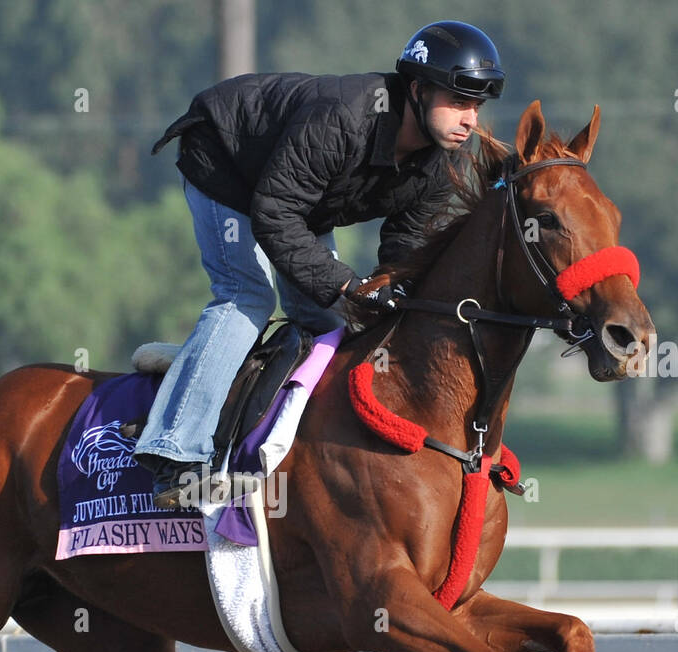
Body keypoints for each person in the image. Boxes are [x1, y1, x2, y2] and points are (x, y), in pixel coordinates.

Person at [134, 20, 506, 508]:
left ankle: (214, 374)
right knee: (248, 297)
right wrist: (352, 284)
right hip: (225, 162)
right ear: (417, 90)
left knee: (328, 321)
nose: (471, 120)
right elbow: (274, 216)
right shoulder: (344, 118)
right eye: (459, 101)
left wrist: (390, 298)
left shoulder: (440, 165)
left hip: (295, 198)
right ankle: (174, 452)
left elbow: (404, 245)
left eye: (476, 105)